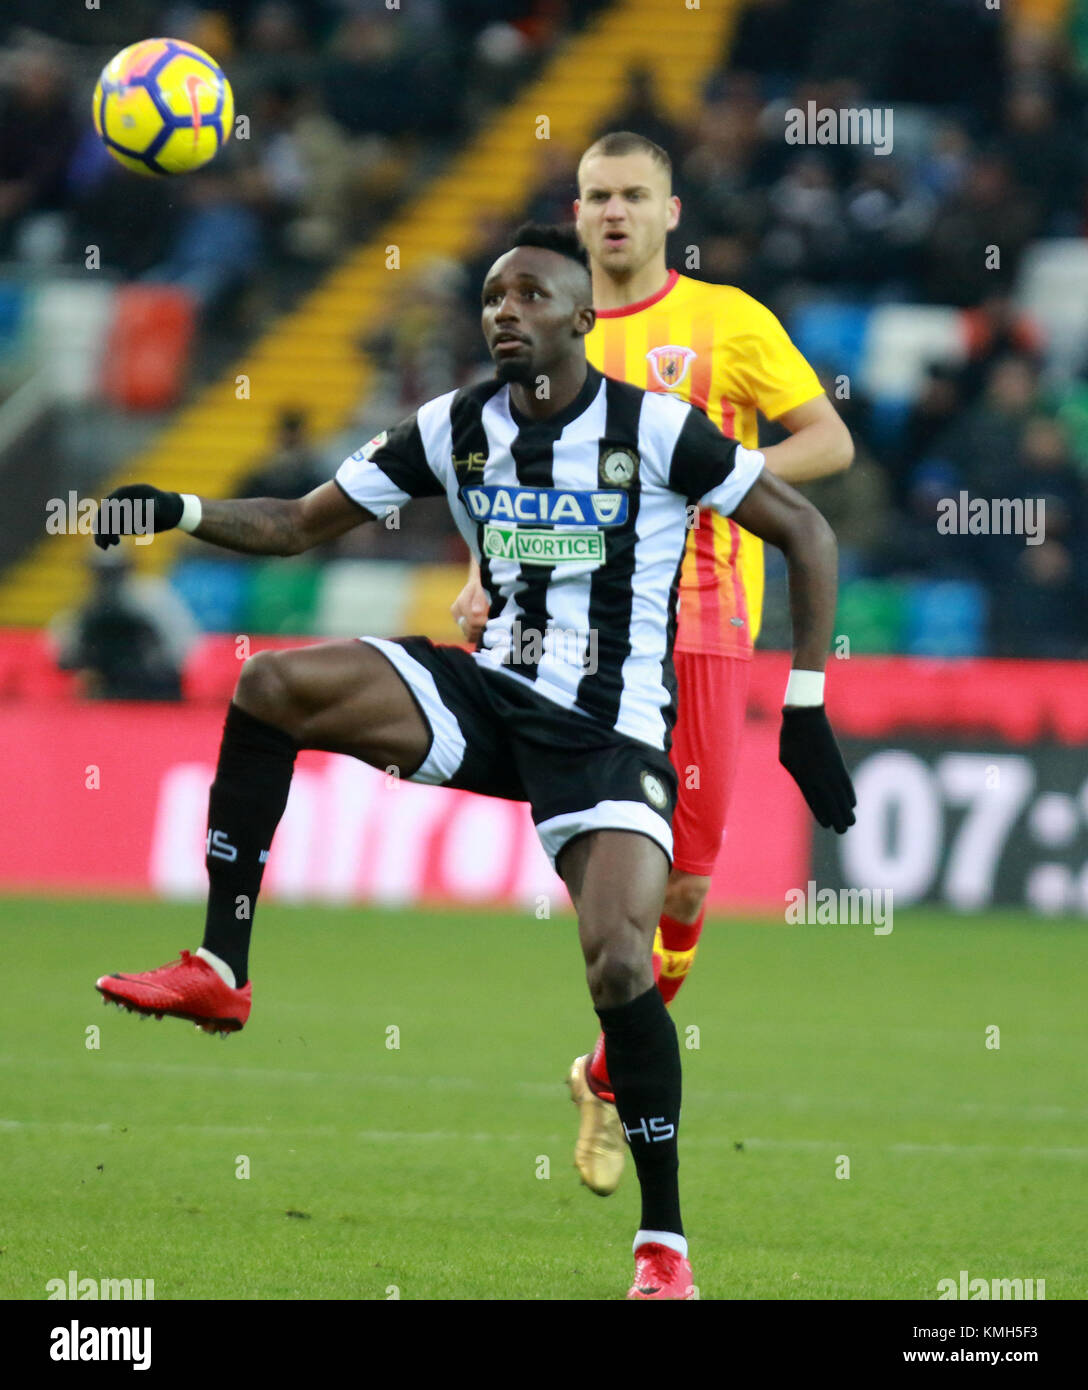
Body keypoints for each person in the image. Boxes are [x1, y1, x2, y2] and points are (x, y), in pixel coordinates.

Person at [92, 225, 855, 1300]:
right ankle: (222, 969)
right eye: (492, 295)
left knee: (618, 968)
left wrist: (807, 703)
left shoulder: (658, 430)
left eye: (530, 294)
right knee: (269, 686)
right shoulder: (452, 426)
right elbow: (297, 521)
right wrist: (176, 510)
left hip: (607, 730)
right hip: (487, 692)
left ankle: (663, 1248)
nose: (503, 310)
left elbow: (806, 532)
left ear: (581, 319)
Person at [451, 132, 852, 1199]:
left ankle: (602, 1068)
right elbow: (504, 469)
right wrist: (480, 574)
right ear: (574, 215)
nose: (614, 212)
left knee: (688, 873)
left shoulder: (727, 323)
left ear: (670, 212)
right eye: (595, 197)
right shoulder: (544, 319)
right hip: (574, 631)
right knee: (602, 860)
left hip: (708, 621)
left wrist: (719, 475)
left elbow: (826, 440)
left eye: (634, 195)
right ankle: (626, 1068)